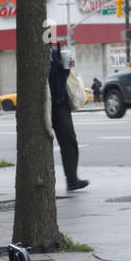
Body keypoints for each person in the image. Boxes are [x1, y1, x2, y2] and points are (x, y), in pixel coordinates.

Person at [48, 31, 88, 192]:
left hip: (59, 102)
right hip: (45, 102)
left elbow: (61, 78)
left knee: (69, 141)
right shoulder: (37, 56)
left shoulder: (56, 53)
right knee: (43, 143)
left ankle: (72, 179)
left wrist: (67, 67)